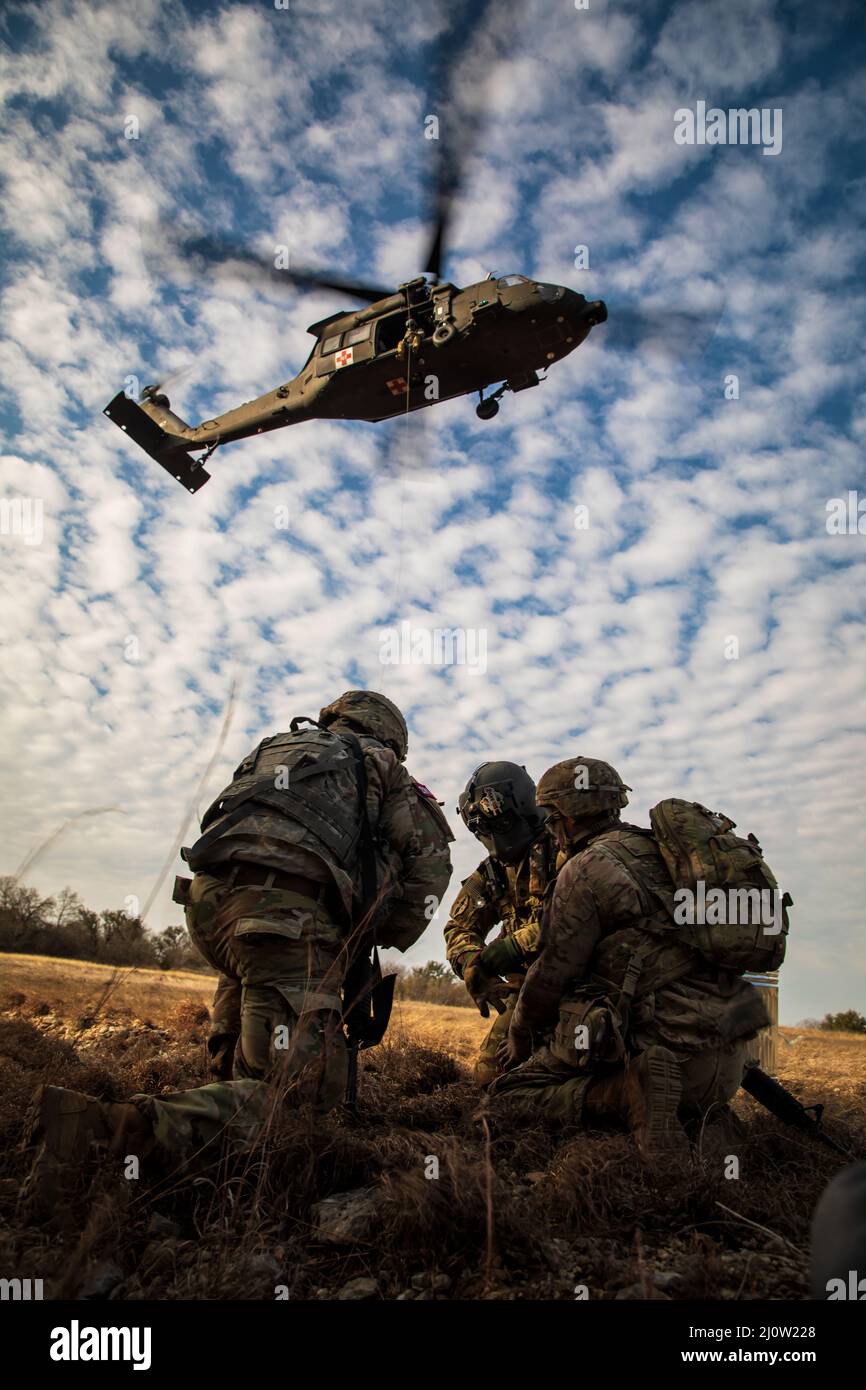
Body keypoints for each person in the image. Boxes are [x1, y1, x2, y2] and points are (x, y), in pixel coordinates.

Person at [22, 691, 453, 1211]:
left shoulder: (279, 747)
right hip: (284, 917)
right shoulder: (383, 765)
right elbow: (430, 867)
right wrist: (377, 932)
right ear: (393, 737)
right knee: (297, 1102)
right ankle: (104, 1135)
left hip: (210, 907)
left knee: (244, 1032)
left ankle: (210, 1164)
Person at [491, 757, 786, 1159]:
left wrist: (519, 1035)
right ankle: (706, 1122)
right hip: (727, 1072)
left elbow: (552, 974)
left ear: (565, 817)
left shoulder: (586, 869)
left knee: (506, 1096)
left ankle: (625, 1093)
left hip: (664, 1062)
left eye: (551, 817)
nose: (550, 829)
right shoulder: (673, 859)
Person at [444, 762, 558, 1085]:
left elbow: (577, 921)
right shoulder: (493, 873)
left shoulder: (563, 851)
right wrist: (474, 966)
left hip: (578, 982)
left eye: (500, 824)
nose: (493, 839)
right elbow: (459, 927)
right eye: (482, 830)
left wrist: (513, 947)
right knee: (490, 1078)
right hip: (526, 993)